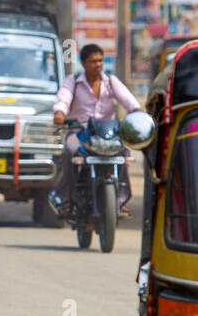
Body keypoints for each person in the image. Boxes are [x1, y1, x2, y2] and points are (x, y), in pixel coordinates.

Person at [48, 44, 141, 215]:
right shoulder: (73, 81)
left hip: (108, 133)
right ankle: (66, 199)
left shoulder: (111, 81)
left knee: (123, 154)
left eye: (100, 60)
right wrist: (60, 113)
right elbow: (63, 99)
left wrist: (137, 112)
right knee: (70, 151)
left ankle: (120, 200)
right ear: (83, 63)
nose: (98, 65)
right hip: (80, 132)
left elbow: (129, 101)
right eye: (93, 61)